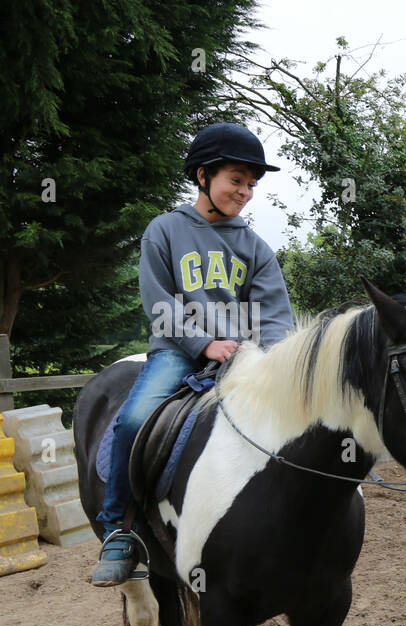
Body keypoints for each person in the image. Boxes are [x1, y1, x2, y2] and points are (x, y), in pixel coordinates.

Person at [91, 122, 293, 586]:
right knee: (135, 417)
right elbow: (158, 301)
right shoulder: (163, 231)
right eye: (236, 180)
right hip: (179, 352)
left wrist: (270, 359)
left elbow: (274, 317)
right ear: (203, 176)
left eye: (251, 185)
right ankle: (119, 530)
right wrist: (204, 343)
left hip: (244, 358)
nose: (244, 192)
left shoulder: (255, 247)